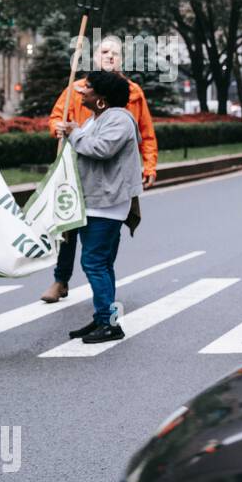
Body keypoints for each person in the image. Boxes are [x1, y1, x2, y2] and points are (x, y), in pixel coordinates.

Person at [42, 35, 159, 304]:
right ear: (94, 57)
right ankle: (61, 279)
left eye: (114, 53)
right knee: (68, 229)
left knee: (101, 245)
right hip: (77, 174)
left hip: (109, 180)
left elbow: (145, 132)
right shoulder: (78, 88)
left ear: (121, 59)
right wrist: (59, 129)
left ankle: (104, 296)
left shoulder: (131, 93)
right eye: (104, 51)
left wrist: (149, 164)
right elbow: (56, 119)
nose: (109, 56)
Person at [55, 69, 143, 344]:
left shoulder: (119, 119)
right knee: (102, 262)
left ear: (102, 98)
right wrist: (70, 134)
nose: (81, 91)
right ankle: (103, 317)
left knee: (94, 262)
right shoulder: (99, 117)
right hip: (95, 201)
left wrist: (75, 133)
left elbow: (102, 149)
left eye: (88, 87)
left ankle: (108, 323)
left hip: (106, 203)